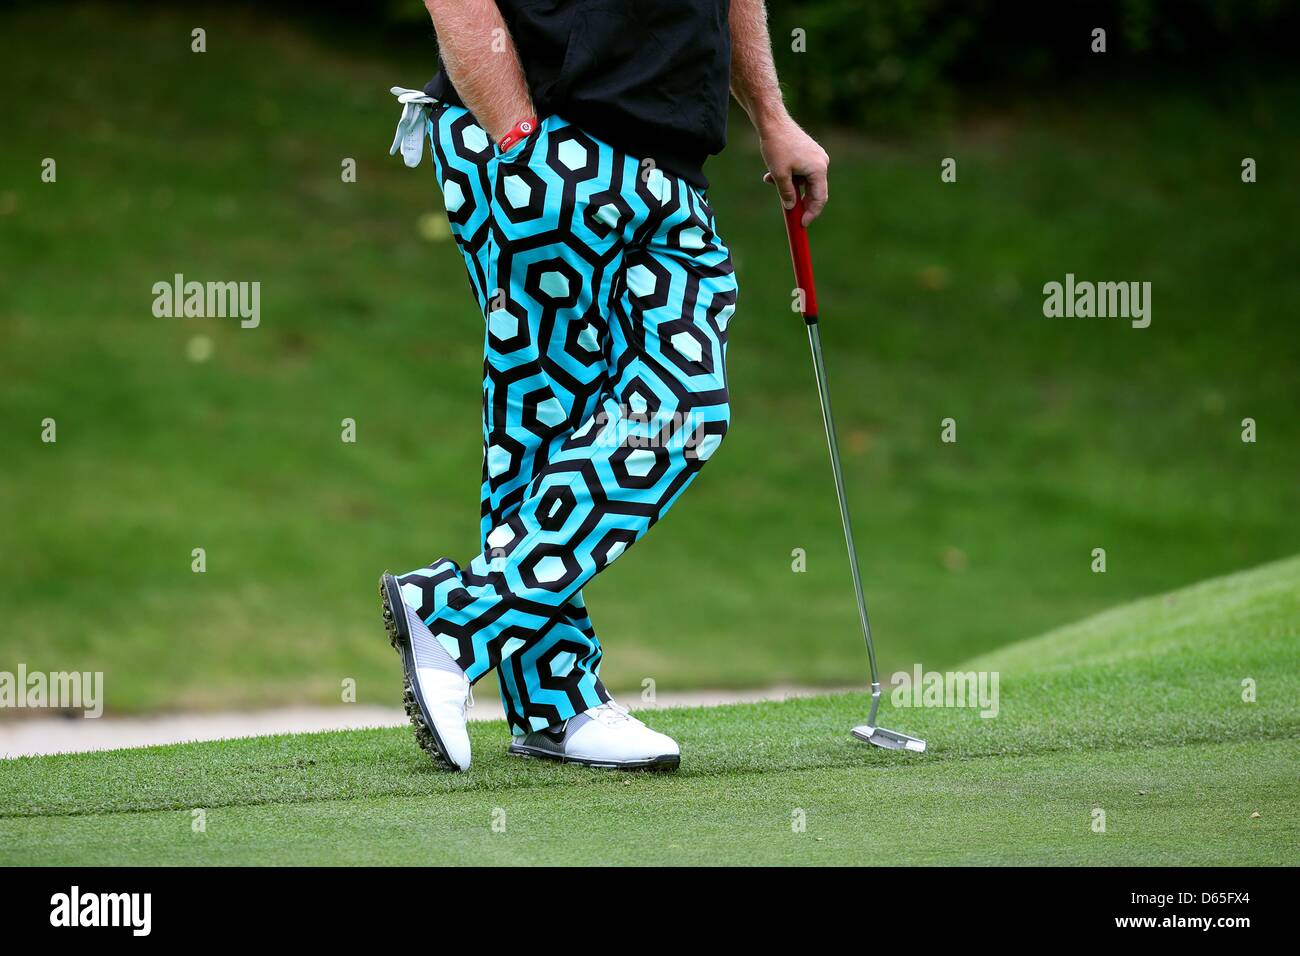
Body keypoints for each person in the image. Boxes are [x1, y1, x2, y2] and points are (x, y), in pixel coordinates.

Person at [382, 0, 829, 771]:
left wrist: (771, 114)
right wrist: (518, 137)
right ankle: (555, 704)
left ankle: (456, 620)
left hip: (671, 163)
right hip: (538, 133)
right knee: (543, 420)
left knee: (683, 406)